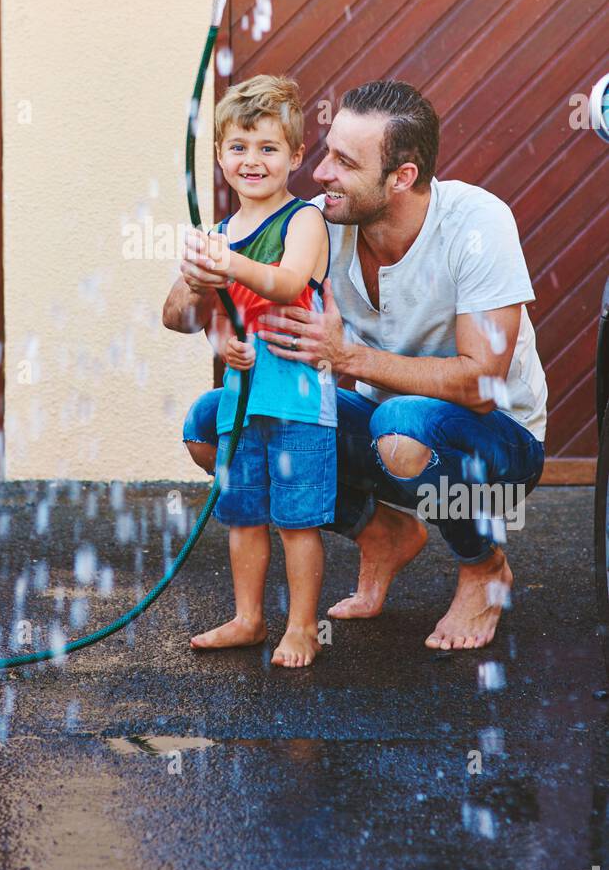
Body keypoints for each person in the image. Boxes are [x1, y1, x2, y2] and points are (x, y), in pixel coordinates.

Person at [166, 79, 547, 652]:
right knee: (210, 426)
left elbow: (483, 382)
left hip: (498, 438)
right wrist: (198, 280)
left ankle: (483, 566)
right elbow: (181, 317)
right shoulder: (318, 223)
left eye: (345, 162)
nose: (321, 174)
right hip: (381, 426)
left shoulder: (476, 224)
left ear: (402, 177)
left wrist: (348, 356)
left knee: (403, 427)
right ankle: (383, 532)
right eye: (326, 153)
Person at [187, 73, 337, 669]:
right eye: (239, 147)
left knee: (297, 522)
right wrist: (224, 345)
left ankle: (302, 627)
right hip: (241, 401)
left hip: (298, 401)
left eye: (268, 148)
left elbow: (288, 282)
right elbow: (218, 319)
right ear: (220, 154)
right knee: (243, 516)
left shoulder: (303, 221)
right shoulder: (220, 235)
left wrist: (227, 262)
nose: (252, 160)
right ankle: (248, 618)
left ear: (296, 157)